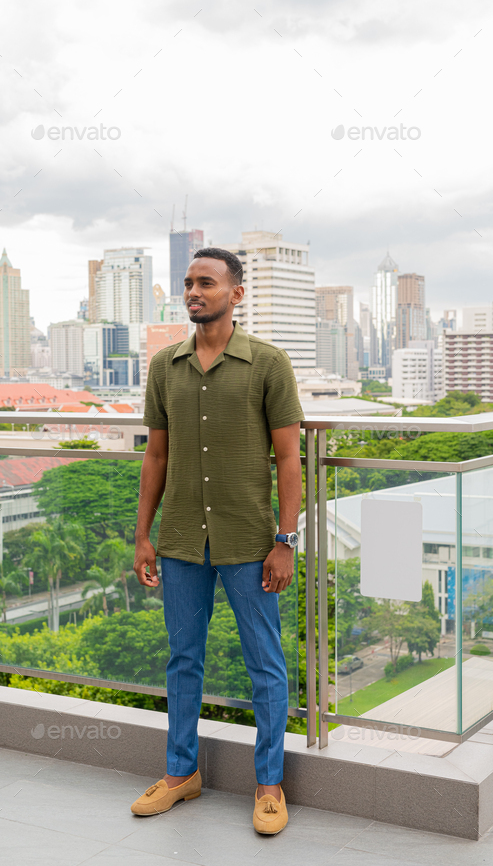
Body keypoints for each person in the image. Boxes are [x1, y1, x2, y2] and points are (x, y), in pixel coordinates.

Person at [130, 247, 303, 834]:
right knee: (183, 659)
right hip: (180, 538)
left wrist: (285, 539)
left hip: (251, 541)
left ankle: (269, 784)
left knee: (265, 665)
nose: (193, 292)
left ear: (237, 293)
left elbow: (288, 459)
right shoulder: (164, 366)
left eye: (206, 282)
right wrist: (143, 536)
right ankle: (182, 774)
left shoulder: (269, 364)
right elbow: (156, 454)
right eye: (188, 283)